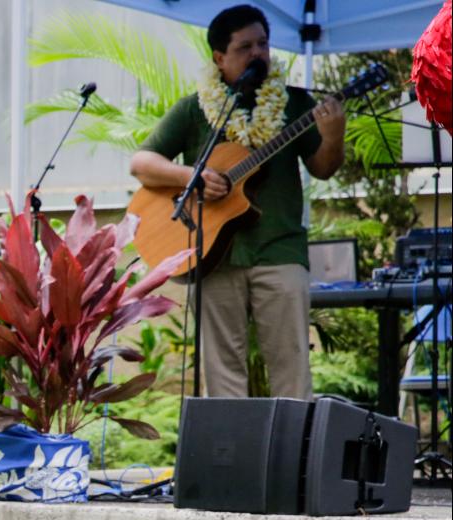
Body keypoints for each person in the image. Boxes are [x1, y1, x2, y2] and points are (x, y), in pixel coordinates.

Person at [129, 3, 345, 399]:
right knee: (222, 371)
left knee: (291, 365)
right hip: (215, 255)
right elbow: (142, 163)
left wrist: (333, 135)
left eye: (263, 44)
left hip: (279, 249)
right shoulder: (196, 109)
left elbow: (323, 168)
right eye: (245, 47)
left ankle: (293, 440)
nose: (258, 53)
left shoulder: (295, 103)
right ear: (219, 58)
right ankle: (230, 442)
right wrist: (192, 178)